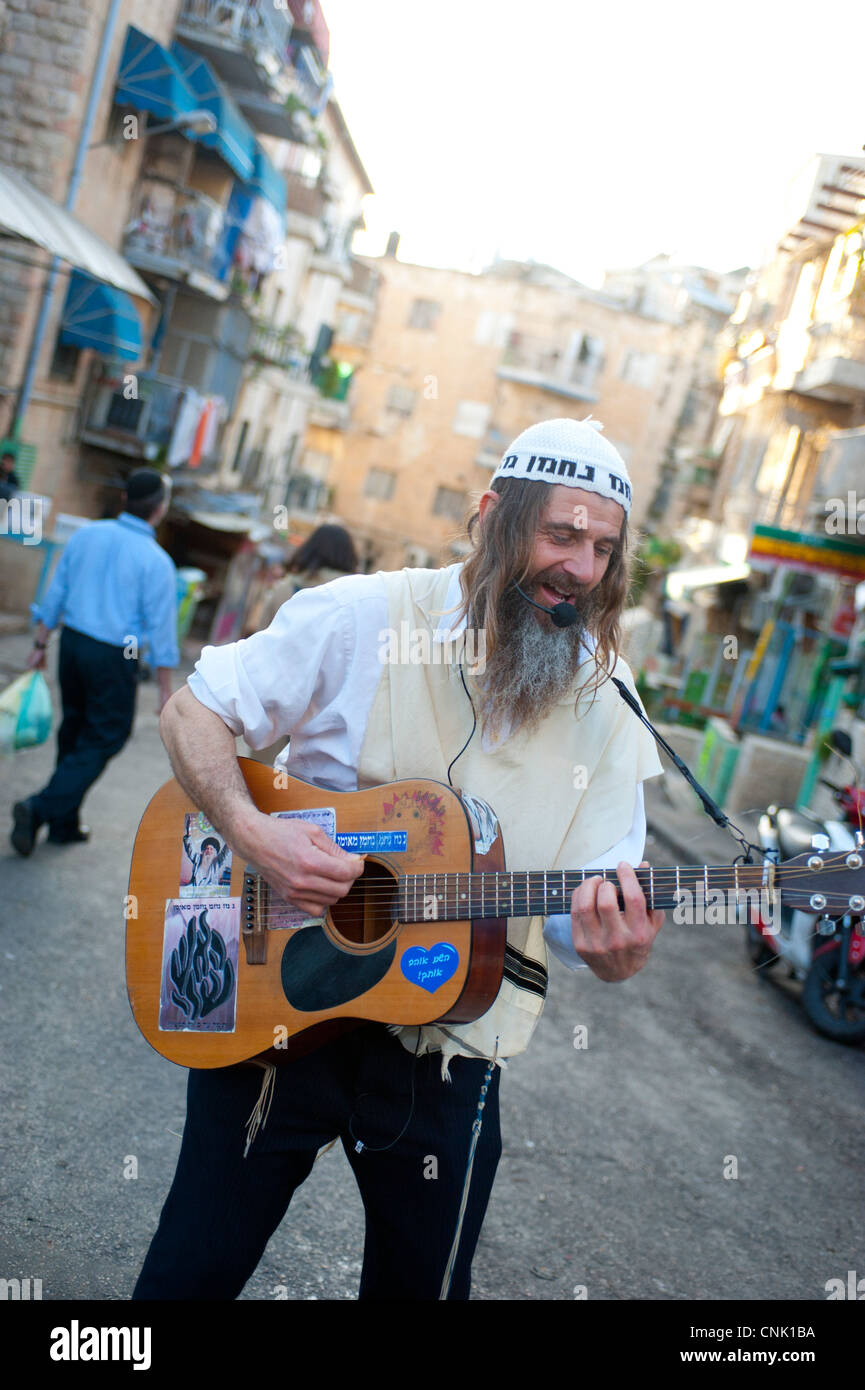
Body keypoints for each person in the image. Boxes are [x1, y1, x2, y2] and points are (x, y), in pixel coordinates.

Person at [133, 417, 666, 1302]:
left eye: (602, 549)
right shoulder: (360, 616)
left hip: (453, 1048)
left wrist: (618, 948)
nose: (580, 566)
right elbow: (195, 713)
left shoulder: (611, 707)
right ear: (493, 515)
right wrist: (254, 833)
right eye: (560, 534)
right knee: (191, 1269)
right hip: (281, 1018)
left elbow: (589, 913)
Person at [11, 468, 179, 855]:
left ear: (125, 499)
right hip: (118, 653)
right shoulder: (157, 562)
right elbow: (162, 632)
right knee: (106, 736)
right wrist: (166, 689)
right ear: (159, 509)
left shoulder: (87, 535)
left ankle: (63, 824)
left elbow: (57, 591)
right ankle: (39, 809)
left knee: (75, 728)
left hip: (72, 642)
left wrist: (41, 641)